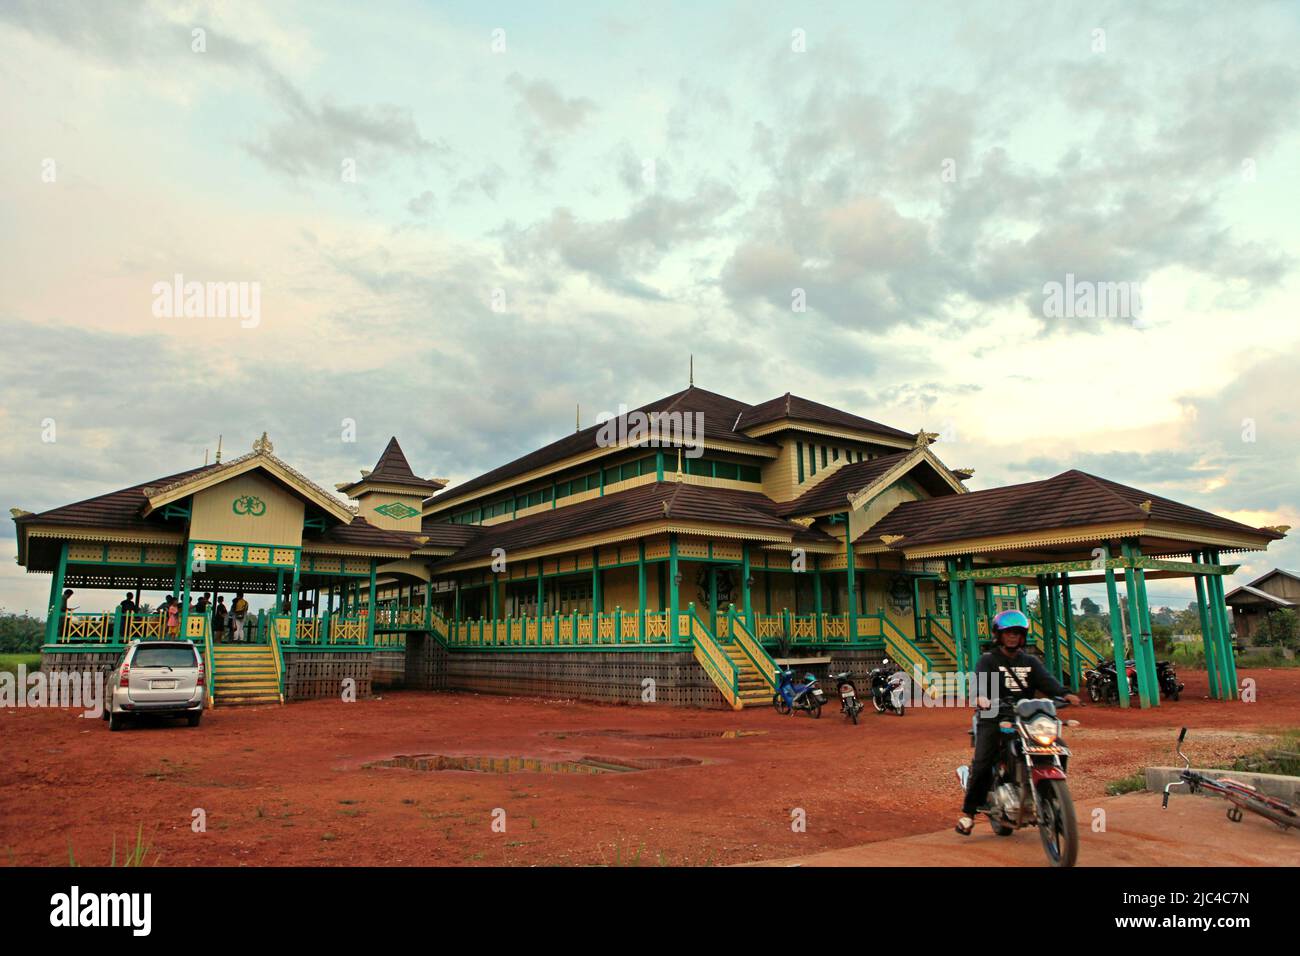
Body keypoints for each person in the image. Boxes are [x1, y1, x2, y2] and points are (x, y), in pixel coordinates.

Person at [956, 608, 1080, 836]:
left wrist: (1064, 694)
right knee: (983, 762)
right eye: (1008, 632)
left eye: (1017, 632)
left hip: (1026, 717)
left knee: (1058, 746)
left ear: (1022, 636)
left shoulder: (1030, 661)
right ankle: (969, 813)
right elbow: (980, 685)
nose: (1012, 636)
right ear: (999, 635)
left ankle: (1050, 794)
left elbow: (1047, 681)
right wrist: (981, 697)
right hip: (993, 716)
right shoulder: (988, 661)